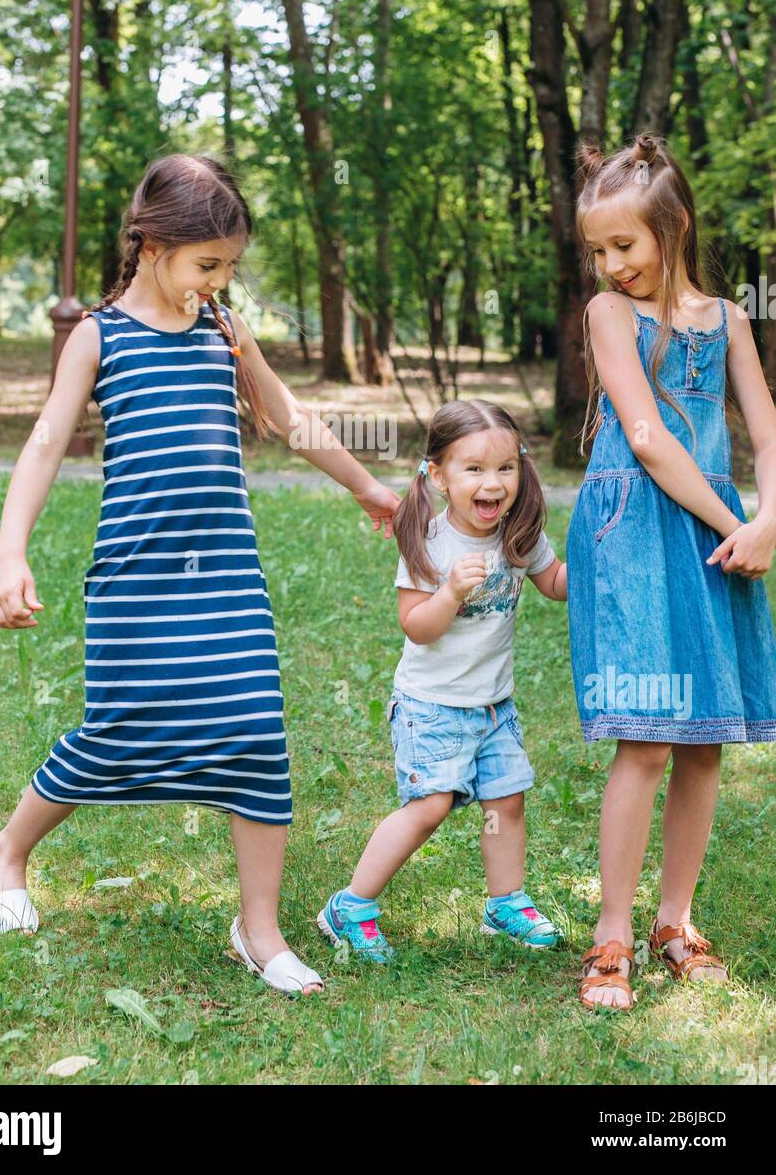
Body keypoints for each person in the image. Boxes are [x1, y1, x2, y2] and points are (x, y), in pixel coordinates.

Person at [0, 151, 400, 996]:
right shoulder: (100, 336)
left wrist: (367, 487)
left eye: (229, 266)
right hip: (137, 577)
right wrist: (10, 552)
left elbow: (289, 416)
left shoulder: (222, 329)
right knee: (118, 731)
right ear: (150, 245)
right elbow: (45, 443)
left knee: (257, 733)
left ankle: (259, 930)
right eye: (207, 264)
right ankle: (6, 852)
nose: (218, 282)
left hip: (227, 575)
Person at [567, 132, 776, 1011]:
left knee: (703, 740)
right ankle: (612, 934)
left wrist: (770, 519)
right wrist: (740, 526)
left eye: (624, 245)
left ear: (674, 225)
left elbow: (765, 425)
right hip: (637, 529)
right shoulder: (609, 315)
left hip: (718, 532)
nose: (612, 265)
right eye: (598, 251)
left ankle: (674, 923)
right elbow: (648, 438)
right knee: (648, 734)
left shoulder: (728, 318)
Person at [317, 400, 568, 962]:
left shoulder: (518, 535)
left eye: (505, 468)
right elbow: (417, 625)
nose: (493, 483)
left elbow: (553, 581)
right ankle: (351, 906)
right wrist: (451, 592)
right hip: (431, 707)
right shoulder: (430, 542)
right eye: (474, 469)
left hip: (494, 706)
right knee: (429, 807)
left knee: (506, 802)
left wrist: (596, 572)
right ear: (439, 476)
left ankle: (505, 904)